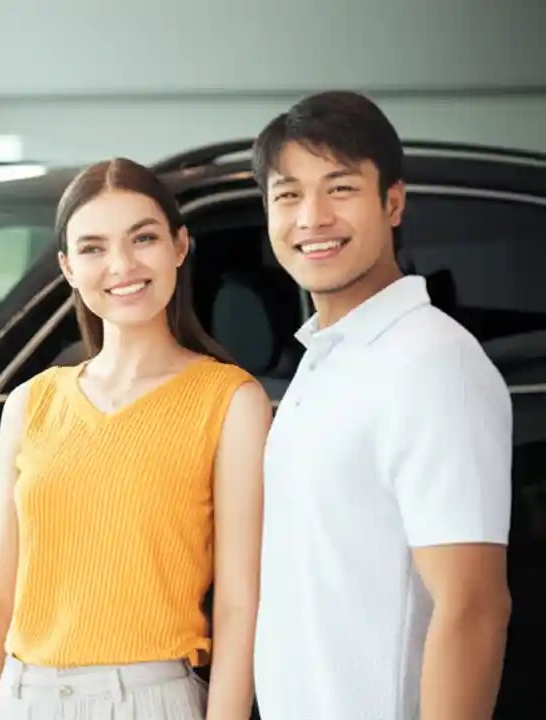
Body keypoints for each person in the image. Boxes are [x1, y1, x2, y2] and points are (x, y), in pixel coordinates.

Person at [0, 157, 272, 720]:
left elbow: (238, 606)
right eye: (93, 248)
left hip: (147, 700)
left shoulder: (231, 401)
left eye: (143, 238)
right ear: (68, 267)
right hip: (22, 698)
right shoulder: (31, 402)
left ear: (180, 245)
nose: (122, 265)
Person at [251, 90, 513, 719]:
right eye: (288, 194)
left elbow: (473, 606)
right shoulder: (326, 357)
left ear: (392, 203)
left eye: (340, 188)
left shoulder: (432, 362)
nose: (312, 217)